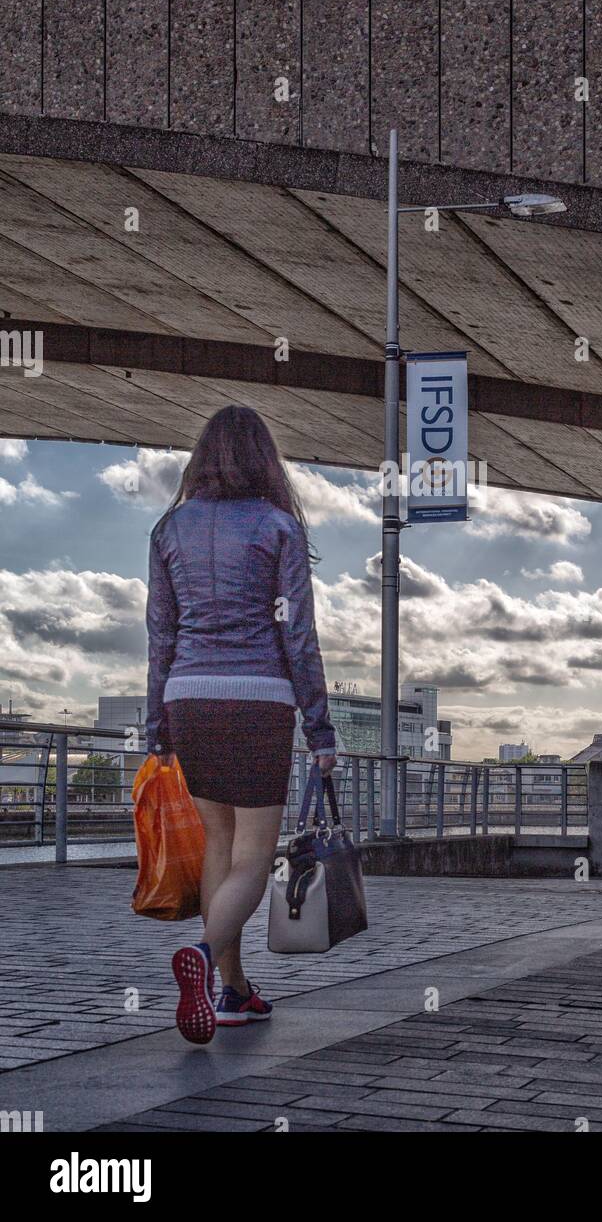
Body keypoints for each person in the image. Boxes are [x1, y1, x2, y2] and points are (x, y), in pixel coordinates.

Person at [145, 405, 337, 1044]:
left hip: (190, 698)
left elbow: (160, 636)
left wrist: (157, 726)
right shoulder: (278, 528)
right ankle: (202, 960)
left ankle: (234, 992)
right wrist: (321, 730)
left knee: (218, 849)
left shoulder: (169, 529)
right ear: (265, 460)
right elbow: (298, 635)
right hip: (259, 701)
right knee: (253, 855)